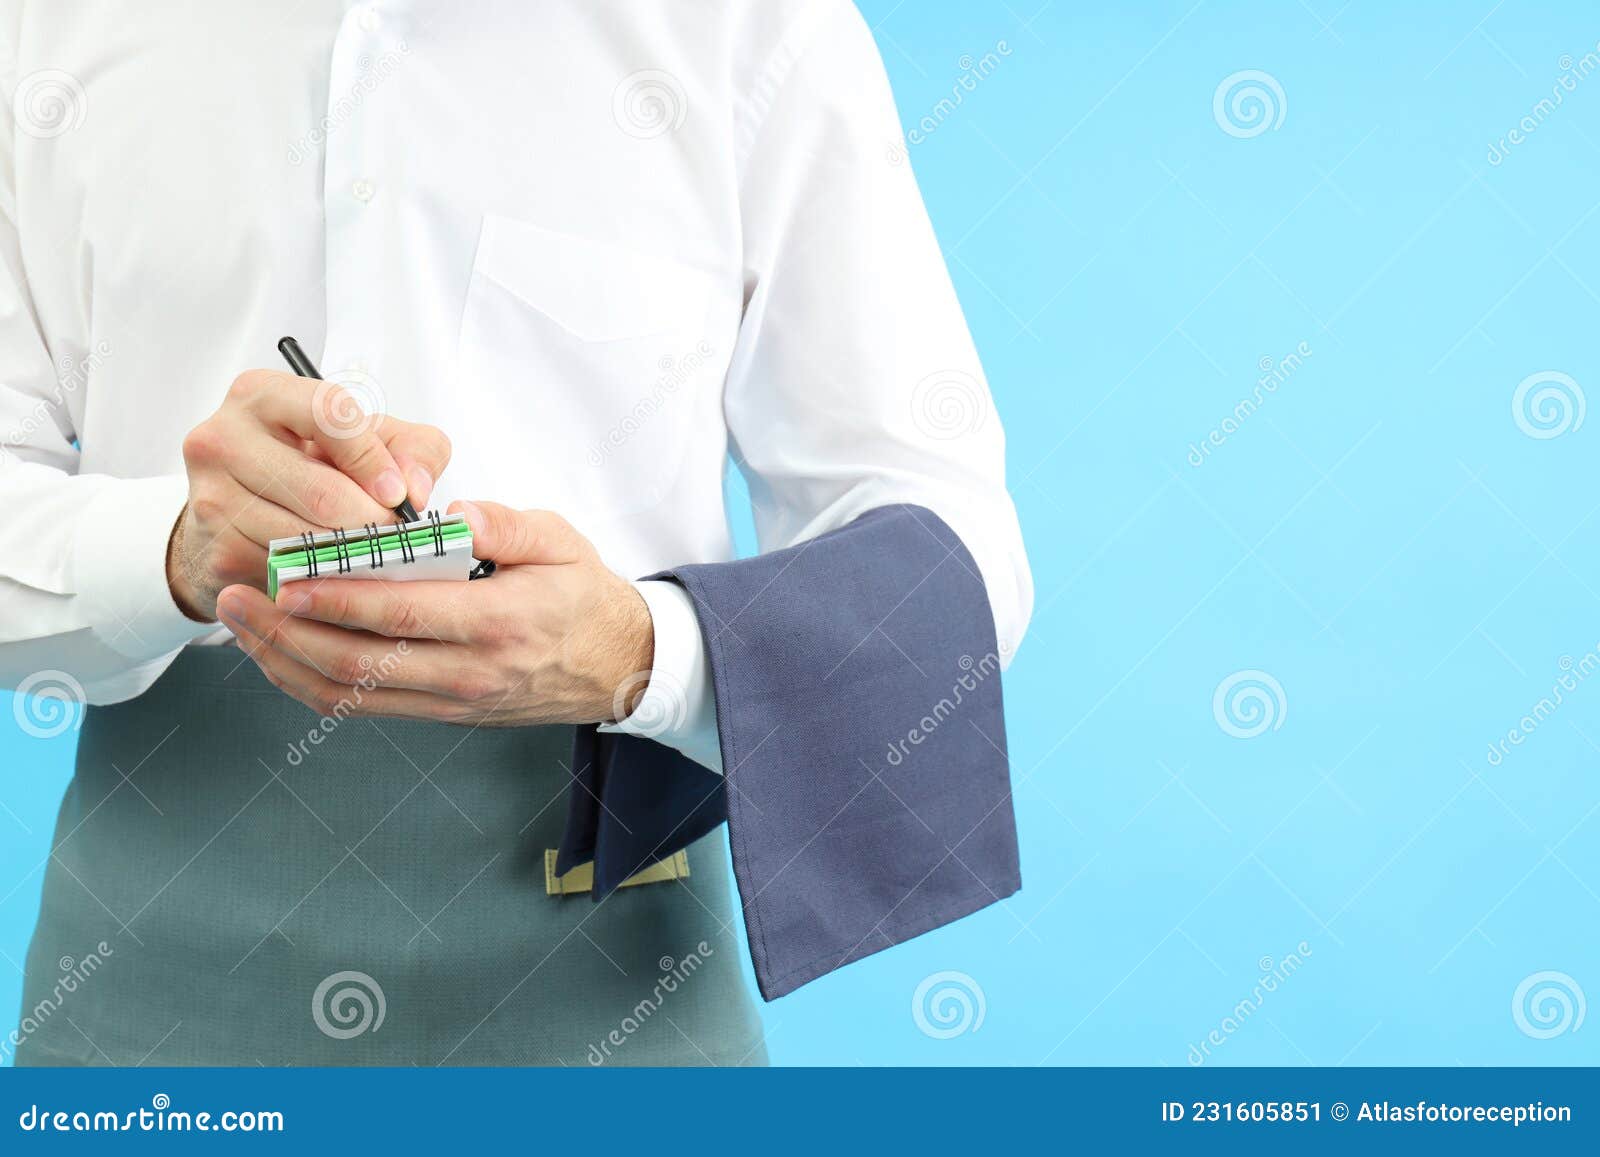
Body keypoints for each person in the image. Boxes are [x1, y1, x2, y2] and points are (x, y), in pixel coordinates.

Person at [0, 0, 1031, 1065]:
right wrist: (173, 546)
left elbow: (953, 563)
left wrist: (640, 651)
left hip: (620, 1013)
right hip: (136, 1019)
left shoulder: (751, 26)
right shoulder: (41, 27)